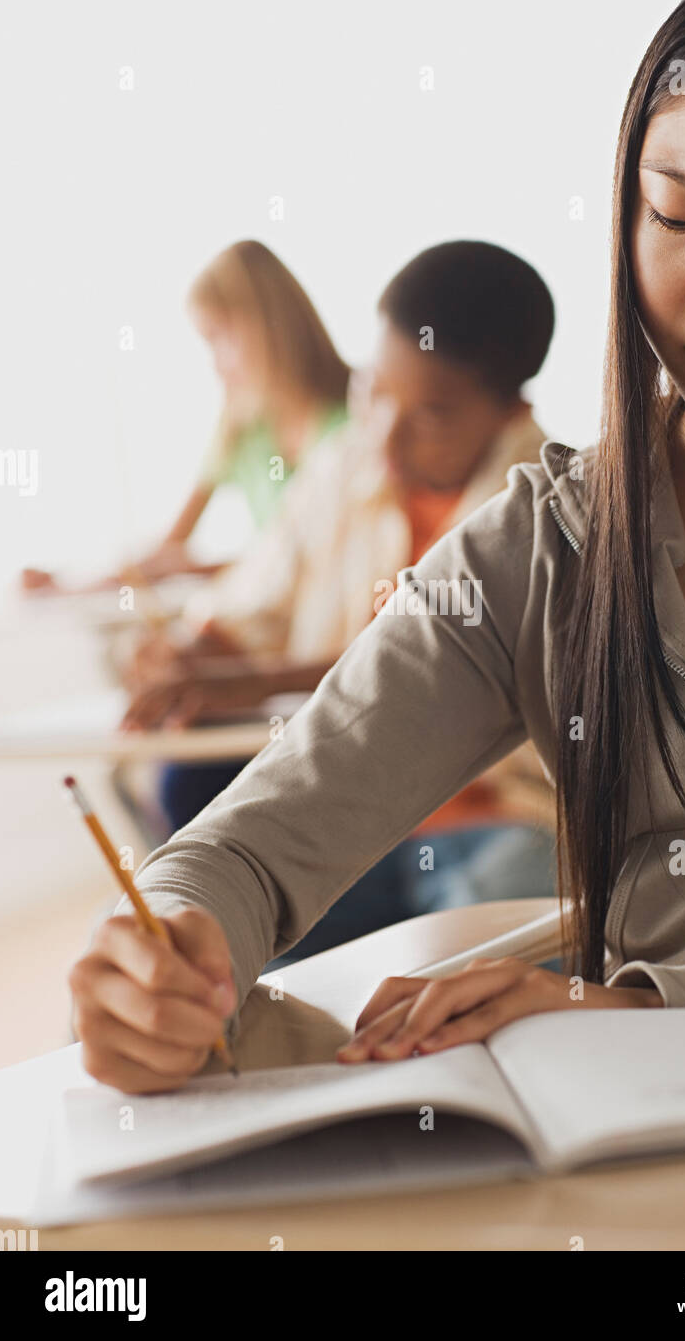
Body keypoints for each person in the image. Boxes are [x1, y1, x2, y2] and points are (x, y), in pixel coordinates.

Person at [70, 0, 685, 1096]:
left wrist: (637, 1009)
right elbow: (261, 833)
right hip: (650, 1185)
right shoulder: (549, 544)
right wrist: (172, 942)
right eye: (674, 214)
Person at [120, 240, 560, 954]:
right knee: (203, 915)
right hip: (348, 822)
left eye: (434, 411)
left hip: (491, 823)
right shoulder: (346, 463)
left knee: (482, 942)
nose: (386, 433)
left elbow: (427, 666)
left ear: (510, 409)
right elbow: (252, 603)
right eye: (377, 390)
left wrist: (253, 677)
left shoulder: (546, 517)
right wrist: (192, 650)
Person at [21, 239, 349, 591]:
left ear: (268, 325)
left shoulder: (354, 425)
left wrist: (199, 570)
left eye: (218, 336)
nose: (216, 364)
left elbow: (321, 568)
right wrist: (74, 584)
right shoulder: (242, 426)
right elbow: (170, 550)